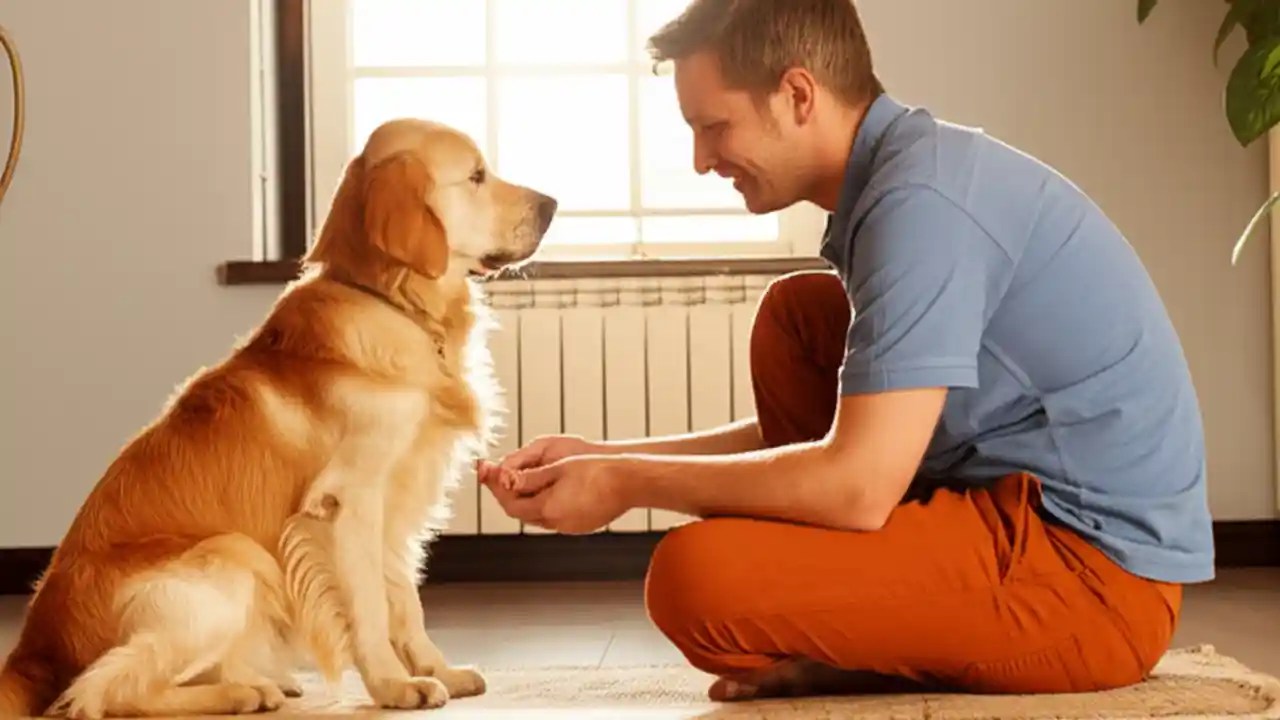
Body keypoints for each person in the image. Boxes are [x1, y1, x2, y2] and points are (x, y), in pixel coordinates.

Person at [478, 0, 1212, 701]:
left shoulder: (921, 204)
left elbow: (857, 483)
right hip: (1000, 504)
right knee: (799, 319)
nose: (701, 159)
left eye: (714, 127)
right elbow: (858, 433)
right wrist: (603, 457)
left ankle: (874, 645)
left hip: (1093, 579)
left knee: (692, 579)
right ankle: (877, 626)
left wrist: (626, 483)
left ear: (798, 94)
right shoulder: (903, 178)